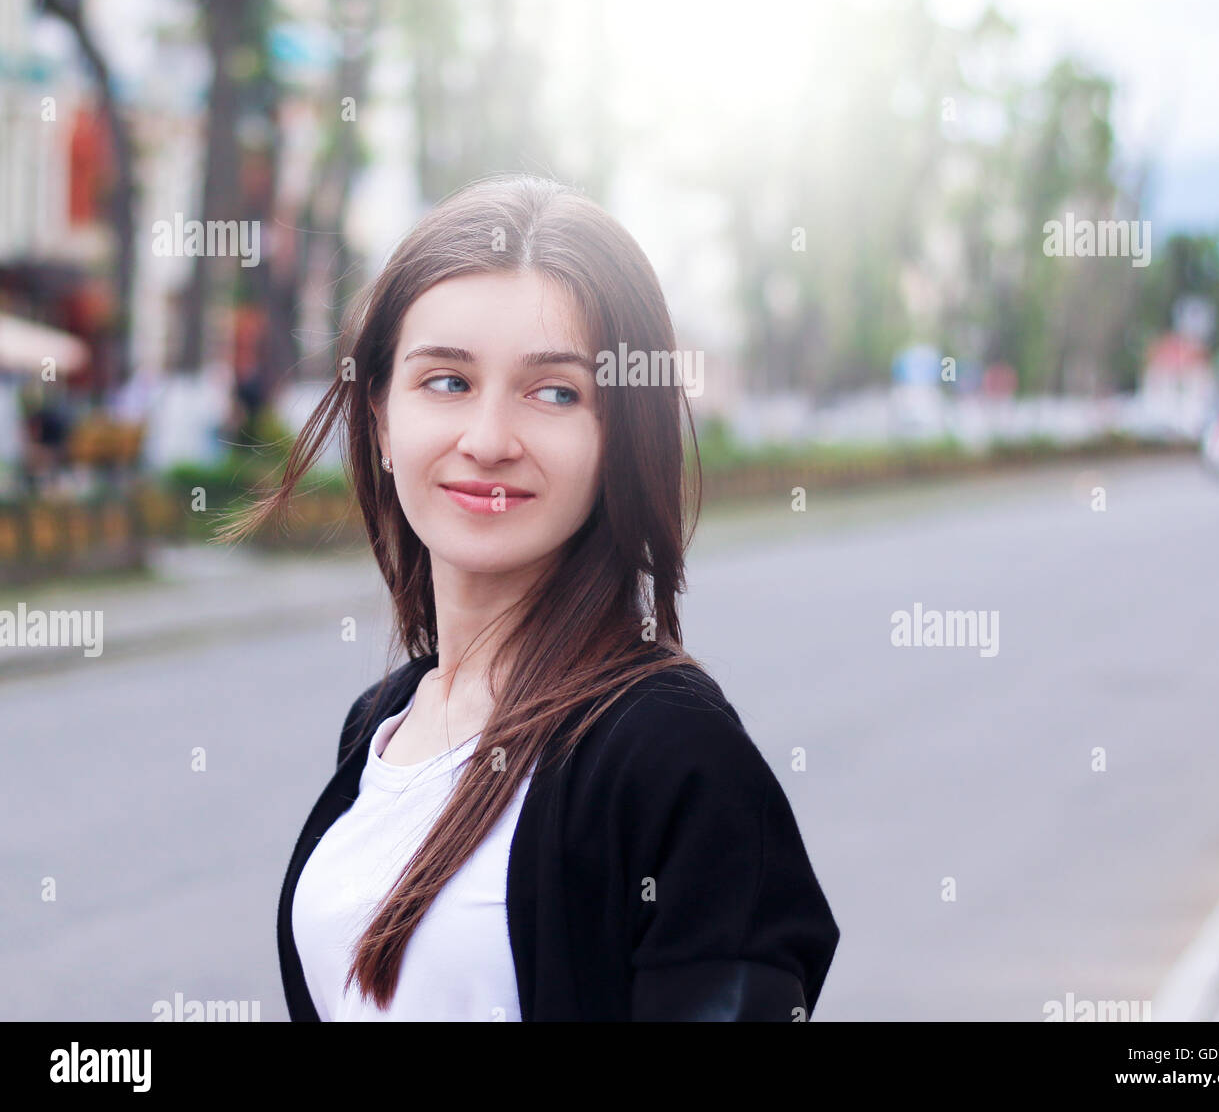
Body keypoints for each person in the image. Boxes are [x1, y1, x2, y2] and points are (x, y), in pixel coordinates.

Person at [221, 174, 839, 1021]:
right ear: (380, 421)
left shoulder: (671, 751)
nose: (488, 441)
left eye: (555, 393)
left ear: (621, 434)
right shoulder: (381, 724)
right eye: (446, 381)